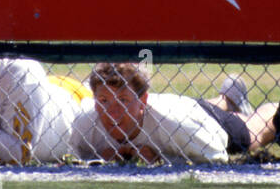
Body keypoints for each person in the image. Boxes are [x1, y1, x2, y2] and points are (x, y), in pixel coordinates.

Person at [69, 62, 228, 164]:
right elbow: (68, 159)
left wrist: (162, 159)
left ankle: (229, 98)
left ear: (143, 100)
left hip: (199, 113)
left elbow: (218, 156)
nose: (113, 112)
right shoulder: (84, 123)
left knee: (249, 129)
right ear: (94, 100)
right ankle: (226, 97)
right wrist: (98, 160)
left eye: (123, 100)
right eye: (104, 100)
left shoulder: (177, 124)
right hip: (168, 103)